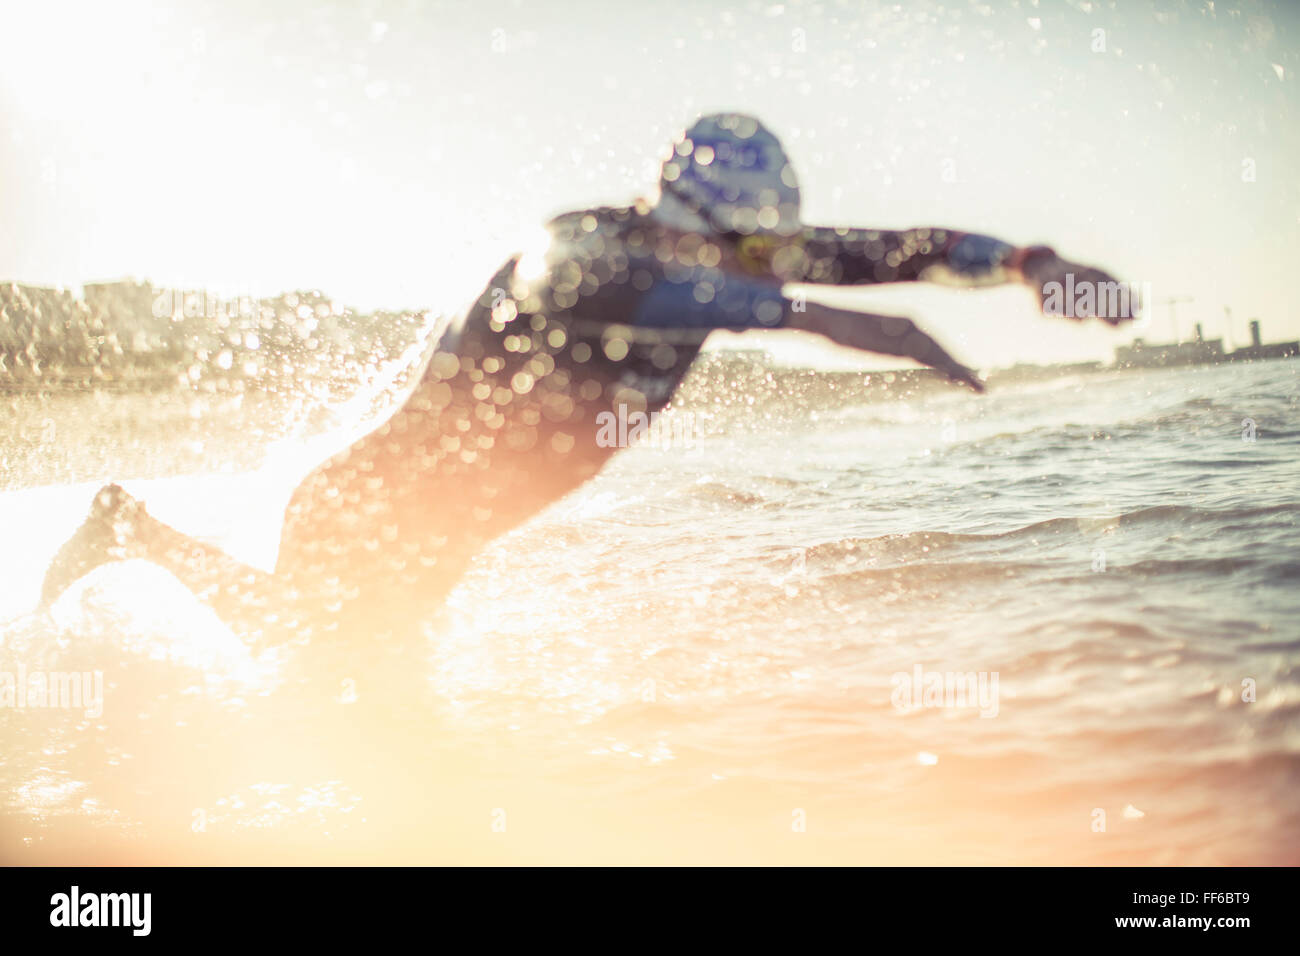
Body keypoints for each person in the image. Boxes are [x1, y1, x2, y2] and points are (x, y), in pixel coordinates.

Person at [40, 113, 1135, 650]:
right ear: (678, 216)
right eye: (737, 250)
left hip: (443, 538)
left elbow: (902, 248)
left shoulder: (744, 260)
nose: (752, 266)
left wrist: (1033, 266)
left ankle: (132, 528)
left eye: (765, 251)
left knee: (375, 725)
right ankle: (130, 526)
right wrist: (826, 319)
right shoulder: (570, 251)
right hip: (362, 506)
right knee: (311, 661)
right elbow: (666, 299)